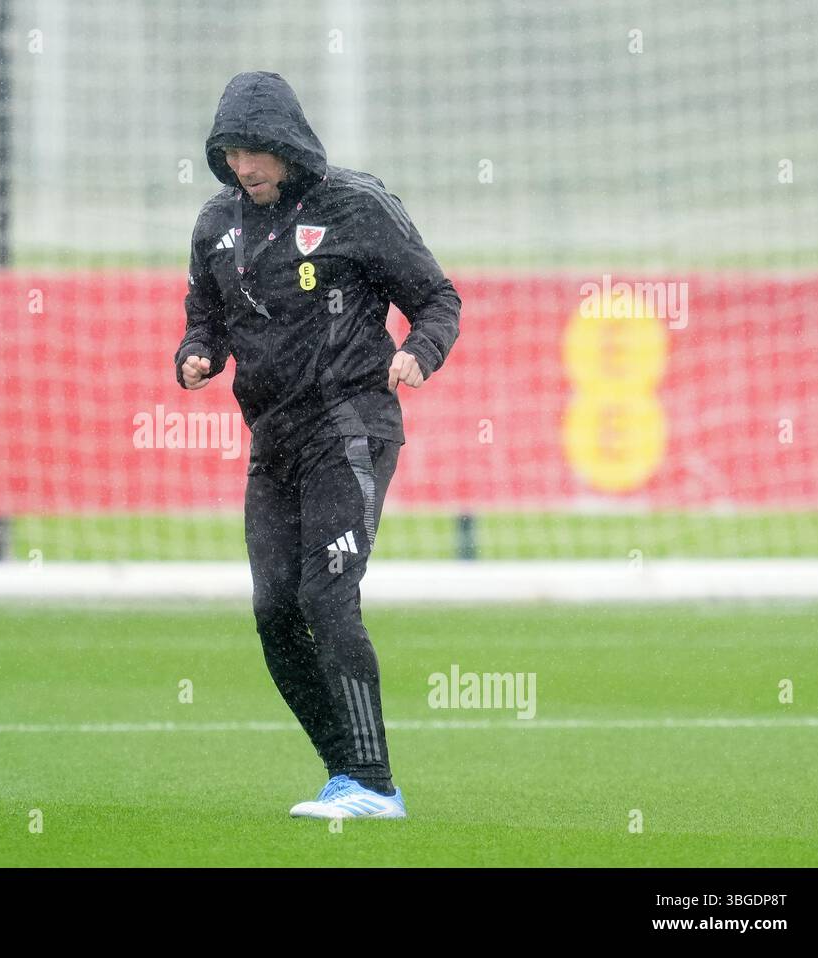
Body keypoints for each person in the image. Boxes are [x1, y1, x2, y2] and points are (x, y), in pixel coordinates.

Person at [175, 71, 461, 819]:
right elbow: (204, 314)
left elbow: (437, 298)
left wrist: (419, 352)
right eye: (232, 152)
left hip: (351, 427)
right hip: (274, 442)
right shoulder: (215, 227)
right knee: (275, 611)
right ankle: (346, 774)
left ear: (289, 145)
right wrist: (196, 353)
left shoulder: (355, 206)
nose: (245, 166)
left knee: (326, 598)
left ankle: (374, 785)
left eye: (257, 150)